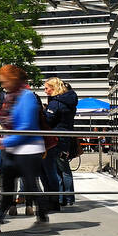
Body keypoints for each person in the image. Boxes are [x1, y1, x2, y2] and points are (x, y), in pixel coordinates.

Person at [0, 64, 48, 236]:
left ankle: (42, 218)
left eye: (4, 81)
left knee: (30, 187)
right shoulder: (11, 96)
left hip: (28, 149)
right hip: (13, 148)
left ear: (13, 79)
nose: (2, 85)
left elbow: (26, 127)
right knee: (8, 189)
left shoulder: (26, 97)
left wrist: (5, 141)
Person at [43, 77, 78, 208]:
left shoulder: (55, 102)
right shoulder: (69, 101)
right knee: (64, 168)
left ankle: (59, 198)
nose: (45, 91)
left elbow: (48, 120)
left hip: (55, 139)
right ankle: (68, 198)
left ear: (54, 88)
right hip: (66, 138)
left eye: (47, 88)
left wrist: (42, 112)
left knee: (56, 170)